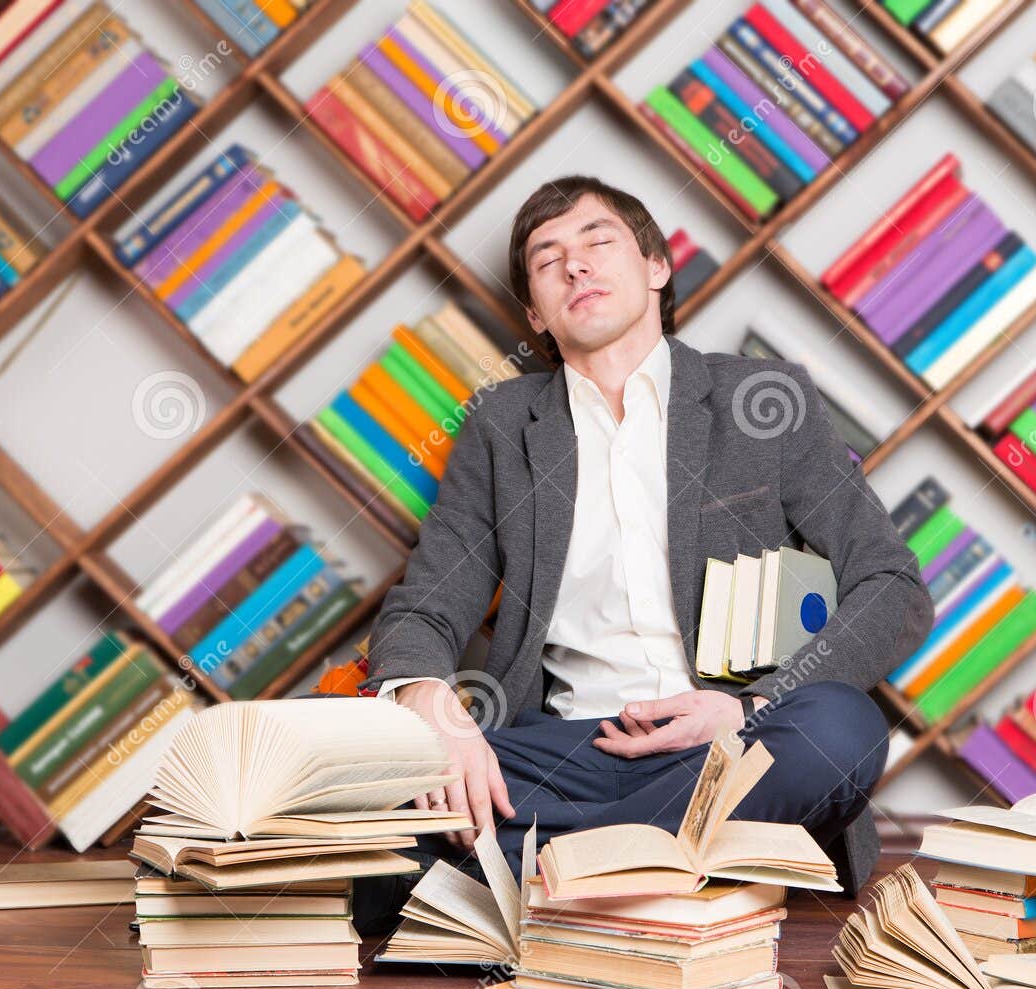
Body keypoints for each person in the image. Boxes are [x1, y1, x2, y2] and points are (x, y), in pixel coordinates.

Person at [361, 174, 934, 889]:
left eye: (598, 241)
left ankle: (542, 870)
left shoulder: (760, 398)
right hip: (559, 752)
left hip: (731, 745)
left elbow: (892, 584)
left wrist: (748, 705)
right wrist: (429, 705)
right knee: (368, 780)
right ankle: (651, 862)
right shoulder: (502, 427)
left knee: (841, 729)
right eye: (547, 260)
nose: (576, 265)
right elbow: (428, 602)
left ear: (657, 267)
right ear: (536, 314)